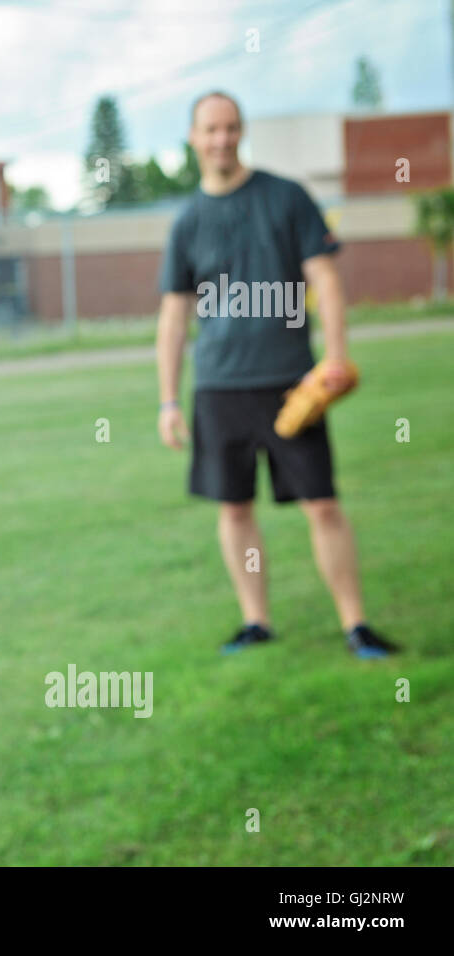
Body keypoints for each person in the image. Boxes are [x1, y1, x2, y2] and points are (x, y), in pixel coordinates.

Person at [154, 90, 399, 659]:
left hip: (292, 382)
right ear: (193, 137)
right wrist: (169, 400)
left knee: (323, 503)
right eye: (211, 129)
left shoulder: (286, 198)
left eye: (231, 127)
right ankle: (256, 621)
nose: (222, 138)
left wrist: (334, 358)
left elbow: (327, 281)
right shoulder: (187, 221)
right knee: (234, 508)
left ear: (242, 131)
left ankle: (356, 625)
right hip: (217, 387)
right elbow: (173, 316)